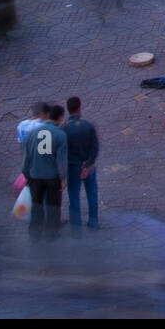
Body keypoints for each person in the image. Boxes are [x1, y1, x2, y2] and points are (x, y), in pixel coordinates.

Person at [22, 103, 68, 241]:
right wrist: (63, 178)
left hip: (34, 176)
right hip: (52, 177)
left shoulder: (33, 133)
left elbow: (27, 156)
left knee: (36, 205)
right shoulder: (60, 135)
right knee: (53, 206)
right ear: (60, 118)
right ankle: (51, 234)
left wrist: (26, 174)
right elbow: (61, 160)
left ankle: (34, 234)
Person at [61, 97, 100, 230]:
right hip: (88, 166)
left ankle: (76, 228)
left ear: (68, 109)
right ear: (79, 108)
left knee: (74, 196)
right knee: (92, 193)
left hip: (73, 167)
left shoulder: (64, 129)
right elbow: (95, 148)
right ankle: (93, 222)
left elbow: (63, 152)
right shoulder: (88, 126)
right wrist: (88, 164)